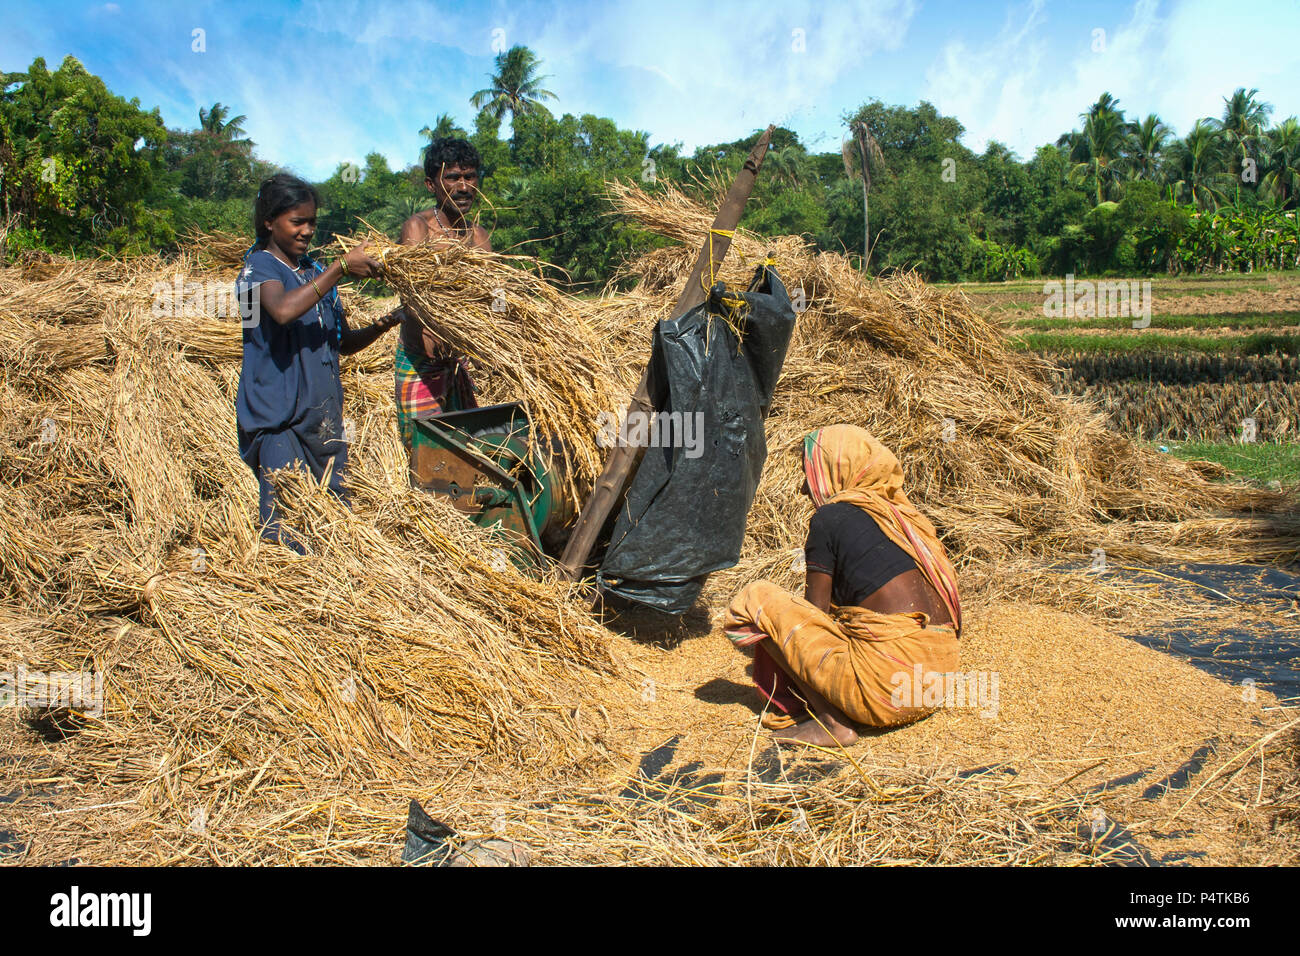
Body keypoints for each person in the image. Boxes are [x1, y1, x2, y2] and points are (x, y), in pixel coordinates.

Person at [723, 424, 963, 746]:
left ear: (837, 469)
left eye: (810, 474)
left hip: (886, 692)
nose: (804, 489)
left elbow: (815, 615)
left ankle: (831, 723)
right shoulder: (905, 522)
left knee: (757, 600)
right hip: (939, 681)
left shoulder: (830, 518)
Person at [235, 173, 404, 549]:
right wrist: (340, 269)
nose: (307, 230)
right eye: (297, 221)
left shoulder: (313, 272)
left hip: (322, 419)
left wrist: (386, 321)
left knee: (333, 525)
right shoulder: (255, 270)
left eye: (312, 221)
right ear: (268, 221)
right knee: (288, 527)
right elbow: (281, 312)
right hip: (278, 420)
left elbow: (340, 343)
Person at [394, 137, 493, 450]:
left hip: (457, 363)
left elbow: (496, 295)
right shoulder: (418, 229)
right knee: (428, 457)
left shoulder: (478, 237)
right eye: (452, 178)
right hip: (421, 364)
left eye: (470, 177)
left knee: (469, 450)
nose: (463, 187)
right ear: (431, 184)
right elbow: (413, 300)